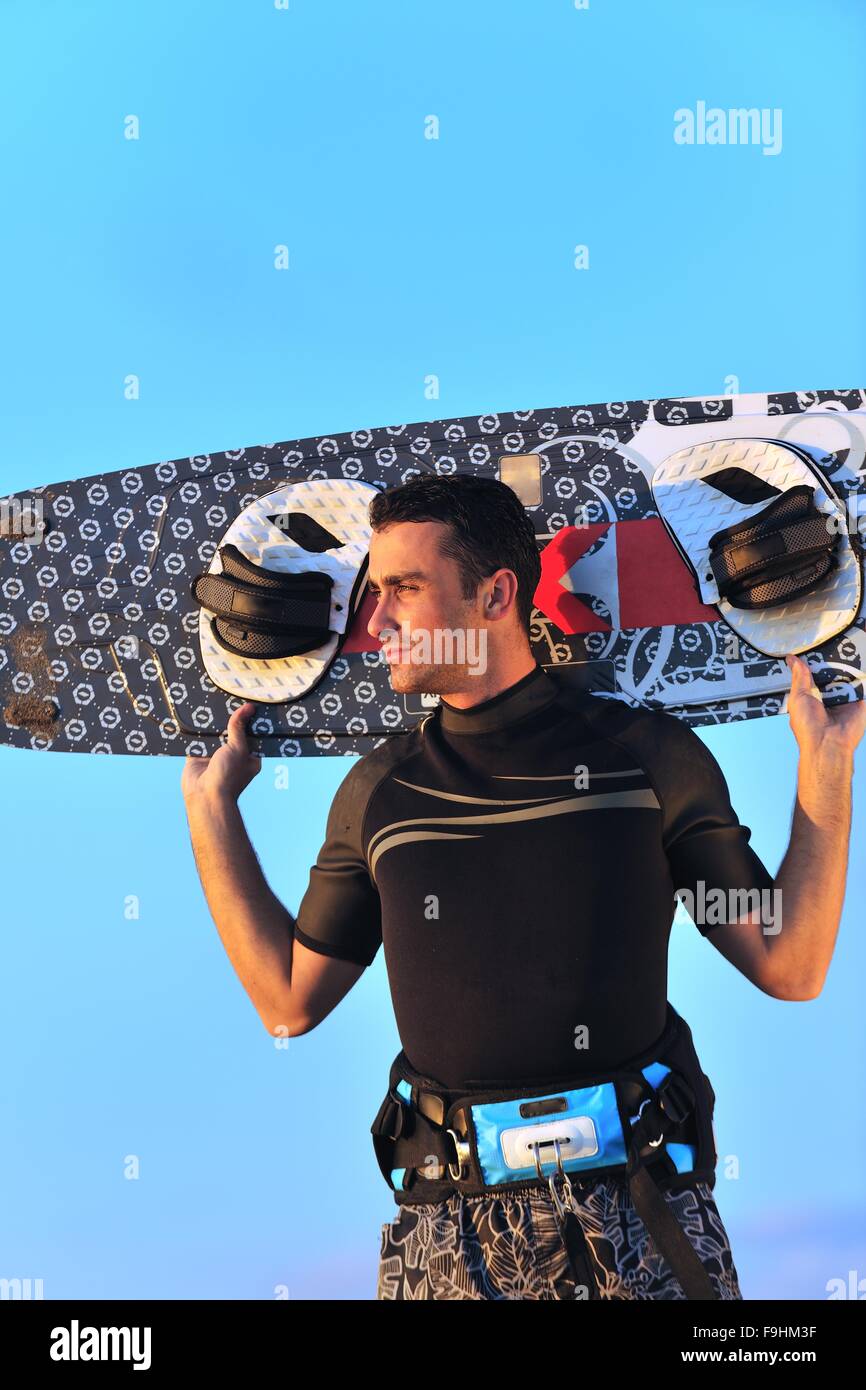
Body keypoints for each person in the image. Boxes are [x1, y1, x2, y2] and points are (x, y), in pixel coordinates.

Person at [182, 474, 864, 1300]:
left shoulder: (649, 760)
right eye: (373, 591)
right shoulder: (378, 795)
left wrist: (826, 772)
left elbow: (787, 961)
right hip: (449, 1233)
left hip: (639, 1216)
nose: (375, 621)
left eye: (404, 589)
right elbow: (289, 999)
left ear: (497, 592)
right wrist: (212, 810)